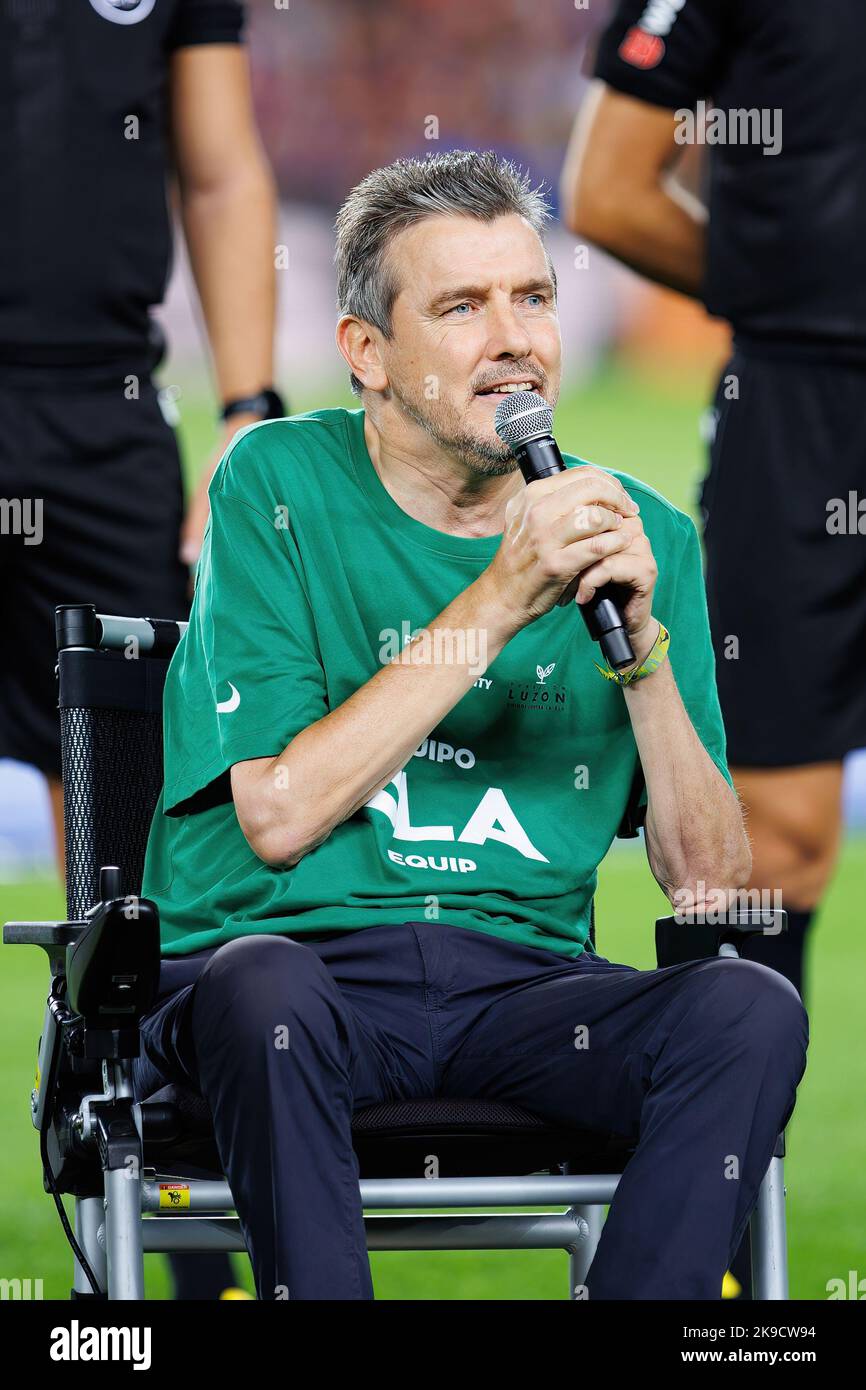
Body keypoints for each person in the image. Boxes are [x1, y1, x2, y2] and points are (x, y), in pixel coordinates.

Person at [133, 150, 807, 1300]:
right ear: (368, 355)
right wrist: (501, 597)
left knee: (746, 1005)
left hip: (523, 993)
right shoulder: (274, 483)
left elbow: (706, 886)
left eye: (532, 297)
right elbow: (280, 814)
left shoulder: (636, 532)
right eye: (460, 305)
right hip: (298, 973)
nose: (514, 336)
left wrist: (638, 651)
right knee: (263, 988)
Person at [0, 0, 281, 1301]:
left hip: (104, 413)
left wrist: (245, 404)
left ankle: (172, 1269)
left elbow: (216, 162)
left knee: (145, 866)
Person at [559, 0, 866, 1009]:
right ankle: (730, 1155)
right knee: (769, 829)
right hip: (800, 410)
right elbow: (606, 190)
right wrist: (795, 301)